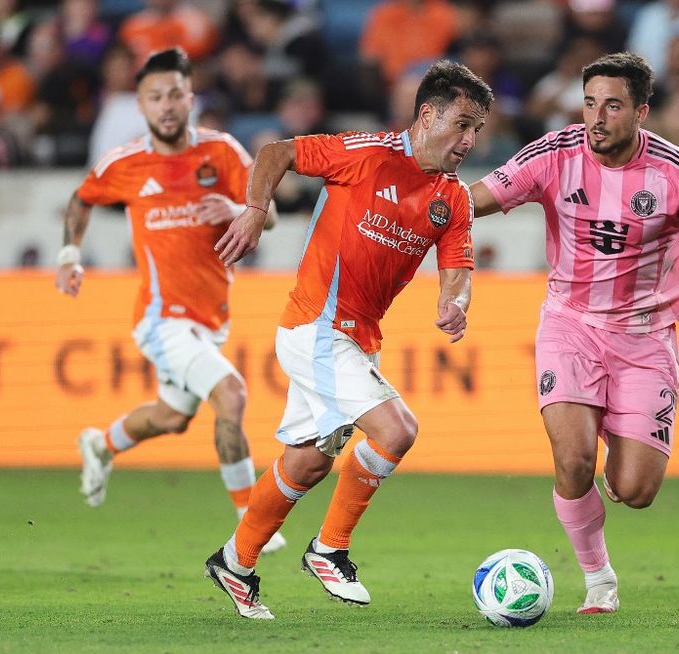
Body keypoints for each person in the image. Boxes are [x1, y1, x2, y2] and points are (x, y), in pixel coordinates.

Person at [470, 52, 679, 614]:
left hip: (644, 337)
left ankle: (614, 433)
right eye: (589, 104)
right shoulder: (554, 154)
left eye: (612, 106)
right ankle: (598, 578)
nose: (596, 118)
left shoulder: (676, 172)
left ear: (641, 112)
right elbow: (476, 198)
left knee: (636, 490)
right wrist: (422, 205)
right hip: (570, 324)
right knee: (573, 461)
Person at [203, 60, 492, 620]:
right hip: (316, 325)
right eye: (461, 124)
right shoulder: (367, 153)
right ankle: (329, 549)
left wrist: (455, 303)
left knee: (307, 464)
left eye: (477, 129)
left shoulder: (454, 198)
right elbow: (276, 153)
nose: (469, 141)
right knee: (397, 429)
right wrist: (256, 211)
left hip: (359, 339)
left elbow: (458, 269)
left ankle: (234, 563)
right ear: (426, 115)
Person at [53, 48, 285, 554]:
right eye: (155, 97)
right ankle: (251, 520)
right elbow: (82, 198)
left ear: (190, 98)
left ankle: (100, 443)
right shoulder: (126, 163)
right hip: (161, 319)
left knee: (171, 418)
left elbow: (266, 216)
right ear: (140, 104)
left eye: (175, 95)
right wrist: (70, 254)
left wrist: (236, 207)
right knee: (231, 394)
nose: (166, 105)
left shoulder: (222, 151)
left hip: (210, 318)